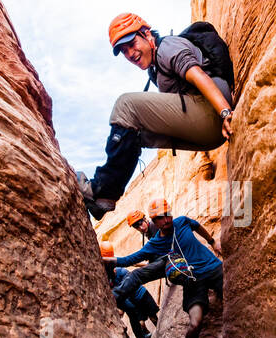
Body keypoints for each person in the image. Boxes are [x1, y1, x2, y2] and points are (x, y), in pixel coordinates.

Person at [75, 15, 234, 219]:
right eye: (124, 51)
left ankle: (102, 188)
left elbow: (197, 75)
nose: (130, 53)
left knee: (125, 105)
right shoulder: (155, 68)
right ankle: (104, 198)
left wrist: (224, 112)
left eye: (132, 44)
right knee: (134, 135)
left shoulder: (167, 46)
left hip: (213, 113)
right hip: (206, 126)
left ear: (147, 35)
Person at [113, 199, 223, 338]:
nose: (166, 219)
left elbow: (196, 227)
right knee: (195, 323)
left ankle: (117, 298)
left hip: (210, 268)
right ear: (154, 221)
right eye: (161, 218)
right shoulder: (155, 240)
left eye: (167, 214)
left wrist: (212, 241)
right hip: (192, 277)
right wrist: (107, 260)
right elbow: (130, 259)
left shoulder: (181, 222)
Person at [100, 242, 159, 338]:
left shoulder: (119, 270)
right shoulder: (112, 271)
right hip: (134, 295)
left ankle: (148, 335)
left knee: (144, 315)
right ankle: (143, 336)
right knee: (137, 315)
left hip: (138, 294)